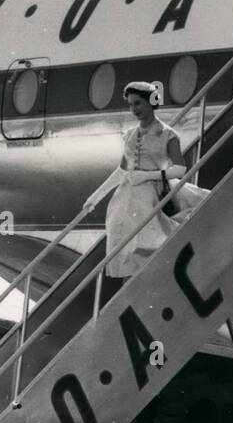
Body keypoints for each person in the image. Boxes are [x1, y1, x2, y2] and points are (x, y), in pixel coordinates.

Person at [80, 82, 209, 303]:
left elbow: (179, 168)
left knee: (145, 246)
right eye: (130, 105)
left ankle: (143, 297)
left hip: (151, 193)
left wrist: (148, 176)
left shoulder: (167, 134)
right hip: (126, 197)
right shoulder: (130, 134)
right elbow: (122, 169)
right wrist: (96, 196)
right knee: (125, 249)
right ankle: (127, 299)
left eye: (138, 103)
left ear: (151, 102)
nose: (134, 109)